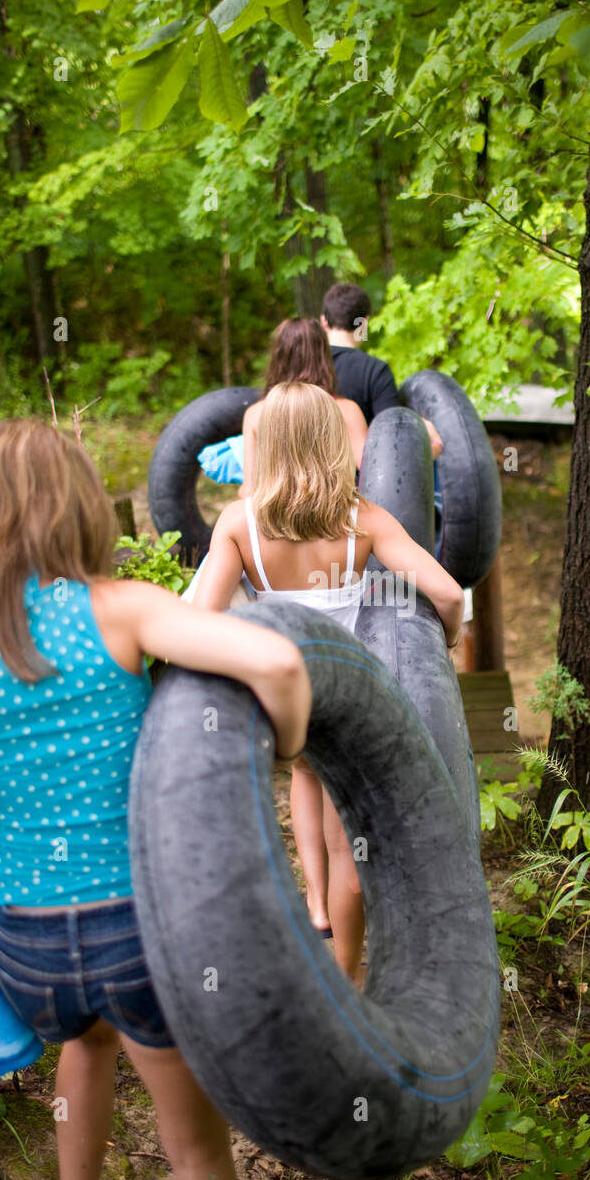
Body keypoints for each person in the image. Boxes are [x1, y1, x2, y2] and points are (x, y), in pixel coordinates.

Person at [0, 418, 311, 1180]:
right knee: (197, 1152)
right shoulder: (124, 608)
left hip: (25, 944)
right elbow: (279, 664)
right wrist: (288, 749)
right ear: (79, 508)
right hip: (137, 930)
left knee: (86, 1043)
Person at [190, 382, 464, 980]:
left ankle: (311, 905)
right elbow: (445, 590)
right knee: (350, 845)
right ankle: (346, 973)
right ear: (330, 441)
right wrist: (447, 640)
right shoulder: (363, 519)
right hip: (345, 698)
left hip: (279, 699)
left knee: (304, 774)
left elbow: (199, 622)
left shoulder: (239, 525)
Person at [239, 318, 368, 493]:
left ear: (278, 356)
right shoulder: (347, 410)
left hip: (276, 517)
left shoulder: (256, 414)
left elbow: (250, 488)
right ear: (323, 356)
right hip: (335, 515)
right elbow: (371, 473)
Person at [320, 282, 444, 459]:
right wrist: (434, 447)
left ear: (324, 321)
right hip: (361, 482)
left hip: (301, 481)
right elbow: (393, 439)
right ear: (364, 322)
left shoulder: (299, 365)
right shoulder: (375, 371)